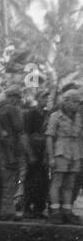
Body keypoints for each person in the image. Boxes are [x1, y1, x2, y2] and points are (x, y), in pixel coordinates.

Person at [0, 86, 29, 220]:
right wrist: (27, 151)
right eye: (17, 97)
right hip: (9, 150)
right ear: (12, 97)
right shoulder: (12, 109)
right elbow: (19, 129)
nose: (18, 101)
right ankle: (7, 212)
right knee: (10, 181)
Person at [45, 88, 83, 224]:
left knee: (70, 184)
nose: (78, 105)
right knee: (57, 182)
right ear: (66, 101)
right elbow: (50, 137)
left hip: (76, 152)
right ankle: (55, 212)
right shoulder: (56, 116)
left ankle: (67, 211)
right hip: (60, 151)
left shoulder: (79, 117)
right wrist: (50, 157)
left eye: (79, 102)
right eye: (75, 102)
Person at [22, 92, 49, 219]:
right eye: (43, 97)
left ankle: (39, 208)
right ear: (37, 99)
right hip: (33, 150)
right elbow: (25, 135)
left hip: (43, 151)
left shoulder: (47, 114)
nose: (46, 100)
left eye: (47, 98)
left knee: (43, 181)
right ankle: (26, 207)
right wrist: (30, 153)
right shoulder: (30, 114)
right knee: (30, 180)